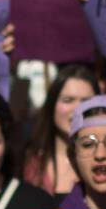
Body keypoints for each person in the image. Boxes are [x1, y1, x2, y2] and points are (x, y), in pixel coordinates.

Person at [22, 65, 99, 195]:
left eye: (86, 102)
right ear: (52, 105)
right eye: (68, 100)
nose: (77, 109)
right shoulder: (28, 159)